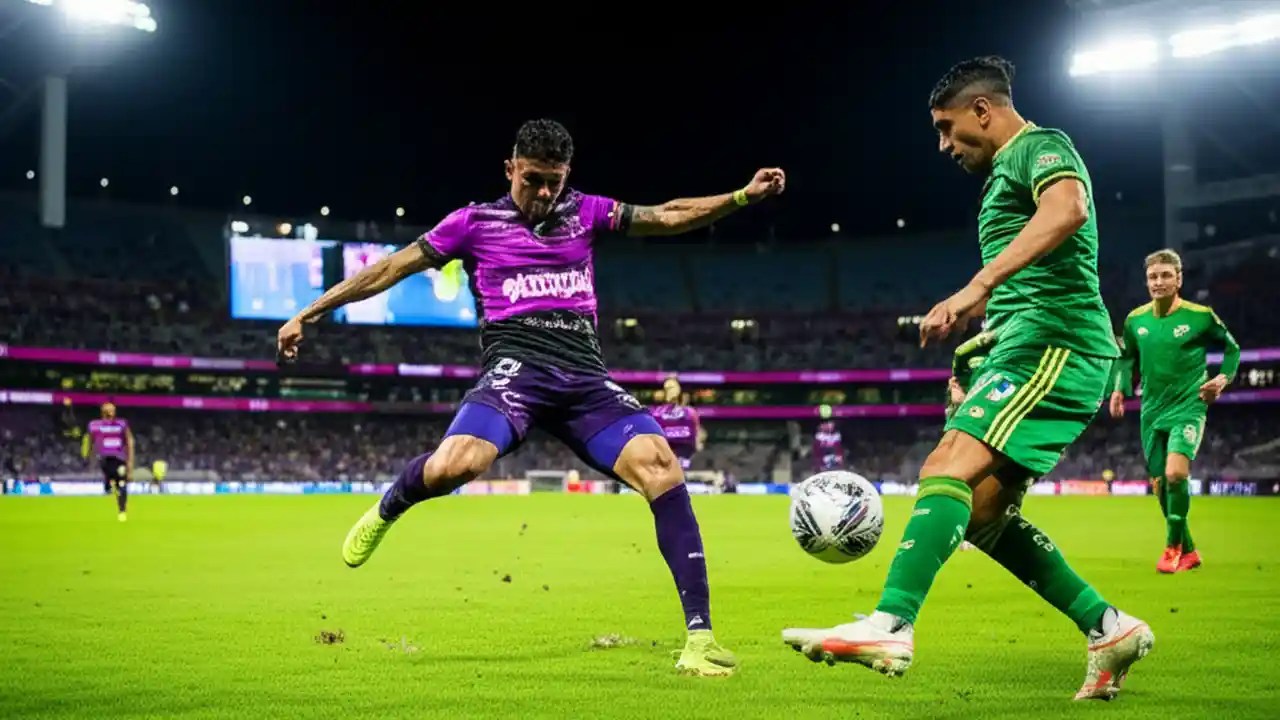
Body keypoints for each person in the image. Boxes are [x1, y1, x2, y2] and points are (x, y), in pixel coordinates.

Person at [277, 118, 785, 676]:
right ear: (510, 169)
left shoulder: (586, 211)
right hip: (515, 376)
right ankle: (389, 506)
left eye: (556, 182)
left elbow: (665, 214)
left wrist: (741, 196)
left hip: (586, 382)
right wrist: (310, 312)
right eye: (535, 180)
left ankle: (700, 638)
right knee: (456, 465)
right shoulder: (473, 223)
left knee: (662, 465)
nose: (546, 194)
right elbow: (392, 267)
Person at [782, 56, 1152, 701]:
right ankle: (1109, 627)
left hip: (1055, 345)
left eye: (947, 128)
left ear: (983, 110)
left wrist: (976, 286)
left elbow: (1068, 210)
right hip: (1027, 344)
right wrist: (974, 352)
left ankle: (891, 625)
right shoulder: (1001, 180)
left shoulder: (1040, 146)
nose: (944, 145)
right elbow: (1032, 285)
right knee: (984, 516)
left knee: (944, 467)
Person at [1109, 249, 1240, 573]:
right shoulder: (1135, 320)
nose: (1159, 282)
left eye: (1166, 275)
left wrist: (1222, 378)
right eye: (1153, 276)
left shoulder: (1200, 317)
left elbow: (1231, 349)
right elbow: (1126, 358)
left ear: (1179, 279)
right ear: (1146, 281)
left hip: (1188, 406)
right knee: (1158, 485)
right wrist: (1119, 388)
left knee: (1175, 474)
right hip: (1152, 411)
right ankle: (1191, 551)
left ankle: (1172, 548)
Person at [86, 402, 133, 522]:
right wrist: (90, 457)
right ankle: (109, 486)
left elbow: (129, 441)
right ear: (103, 412)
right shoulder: (95, 425)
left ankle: (122, 510)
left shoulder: (121, 424)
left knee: (122, 483)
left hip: (119, 458)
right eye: (109, 410)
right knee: (113, 482)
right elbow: (91, 442)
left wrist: (130, 463)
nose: (111, 412)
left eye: (113, 410)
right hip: (105, 459)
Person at [648, 375, 704, 472]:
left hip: (683, 450)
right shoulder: (656, 413)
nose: (671, 392)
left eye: (673, 388)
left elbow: (697, 430)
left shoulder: (690, 412)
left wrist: (698, 441)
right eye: (668, 388)